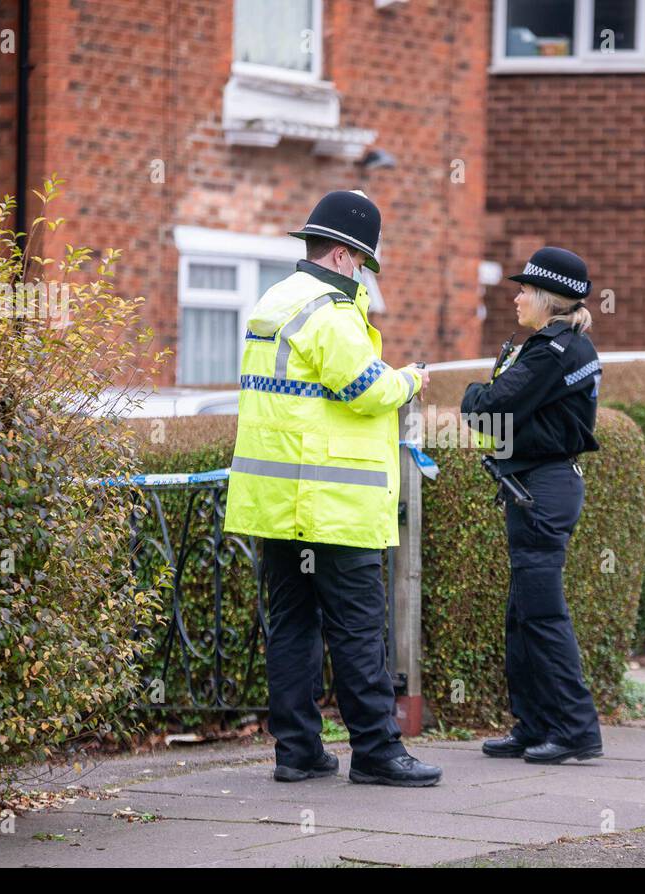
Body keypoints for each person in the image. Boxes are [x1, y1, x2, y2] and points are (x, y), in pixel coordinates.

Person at [223, 189, 442, 787]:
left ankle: (297, 752)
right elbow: (366, 389)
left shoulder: (275, 300)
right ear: (346, 255)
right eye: (365, 266)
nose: (365, 279)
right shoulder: (331, 311)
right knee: (358, 632)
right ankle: (377, 752)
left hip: (278, 505)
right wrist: (411, 378)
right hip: (335, 509)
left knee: (292, 628)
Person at [461, 246, 605, 764]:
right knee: (522, 613)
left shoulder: (553, 350)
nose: (517, 298)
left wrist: (475, 394)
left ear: (547, 298)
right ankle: (534, 723)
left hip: (541, 489)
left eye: (525, 290)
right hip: (537, 486)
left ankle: (576, 730)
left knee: (542, 614)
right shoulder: (563, 347)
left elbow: (489, 407)